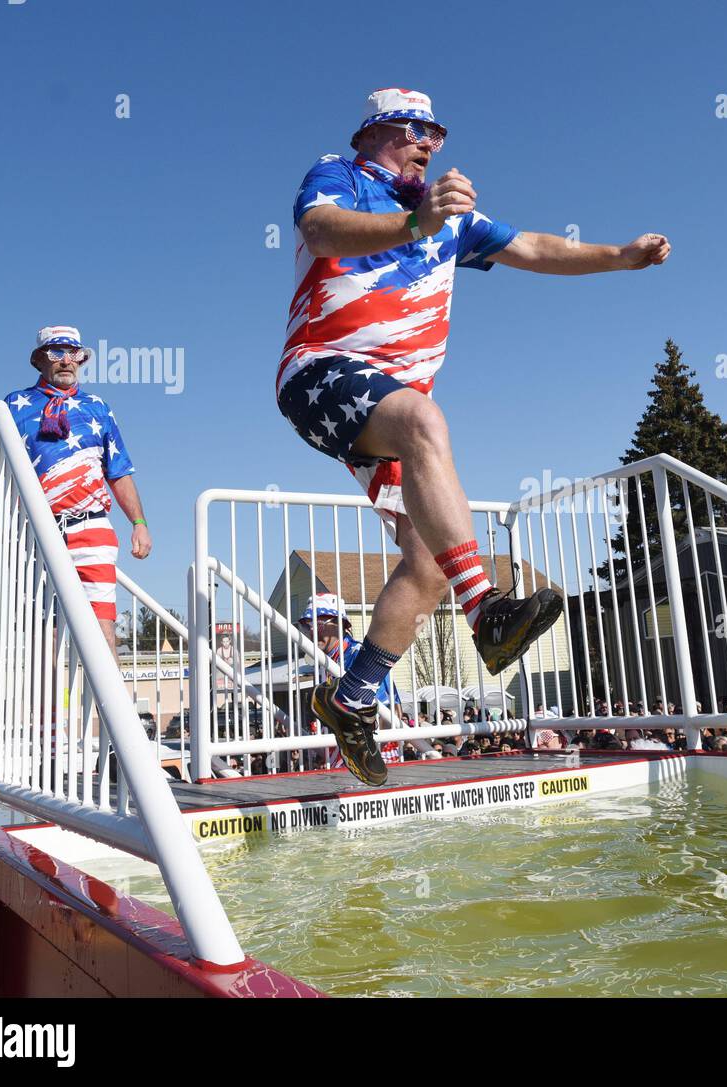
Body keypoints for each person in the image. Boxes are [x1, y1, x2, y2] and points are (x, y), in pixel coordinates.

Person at [278, 89, 670, 785]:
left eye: (435, 134)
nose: (427, 144)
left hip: (389, 409)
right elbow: (320, 233)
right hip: (321, 371)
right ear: (372, 136)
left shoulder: (451, 218)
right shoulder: (339, 175)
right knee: (427, 421)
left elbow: (536, 248)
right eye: (411, 131)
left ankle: (352, 695)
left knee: (428, 562)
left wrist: (620, 255)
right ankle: (487, 611)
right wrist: (413, 221)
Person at [5, 326, 151, 655]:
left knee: (102, 628)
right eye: (57, 352)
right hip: (36, 531)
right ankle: (47, 709)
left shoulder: (98, 407)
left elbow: (118, 470)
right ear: (40, 359)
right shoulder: (14, 405)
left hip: (92, 526)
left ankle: (108, 708)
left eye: (74, 353)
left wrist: (139, 524)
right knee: (43, 634)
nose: (67, 361)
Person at [295, 593, 405, 774]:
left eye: (319, 624)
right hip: (341, 758)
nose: (313, 632)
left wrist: (370, 756)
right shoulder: (325, 662)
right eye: (308, 625)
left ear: (342, 624)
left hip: (373, 757)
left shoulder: (358, 655)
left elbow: (391, 712)